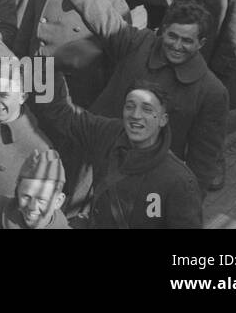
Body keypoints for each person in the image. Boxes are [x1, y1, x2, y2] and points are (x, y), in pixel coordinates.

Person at [86, 0, 229, 192]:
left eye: (187, 41)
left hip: (140, 177)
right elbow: (104, 18)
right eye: (172, 36)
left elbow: (202, 162)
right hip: (92, 155)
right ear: (163, 30)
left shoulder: (212, 92)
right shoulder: (139, 43)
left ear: (201, 43)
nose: (177, 46)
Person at [38, 76, 204, 228]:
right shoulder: (108, 132)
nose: (136, 115)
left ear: (163, 119)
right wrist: (40, 62)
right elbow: (59, 112)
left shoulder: (179, 181)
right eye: (129, 107)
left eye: (147, 109)